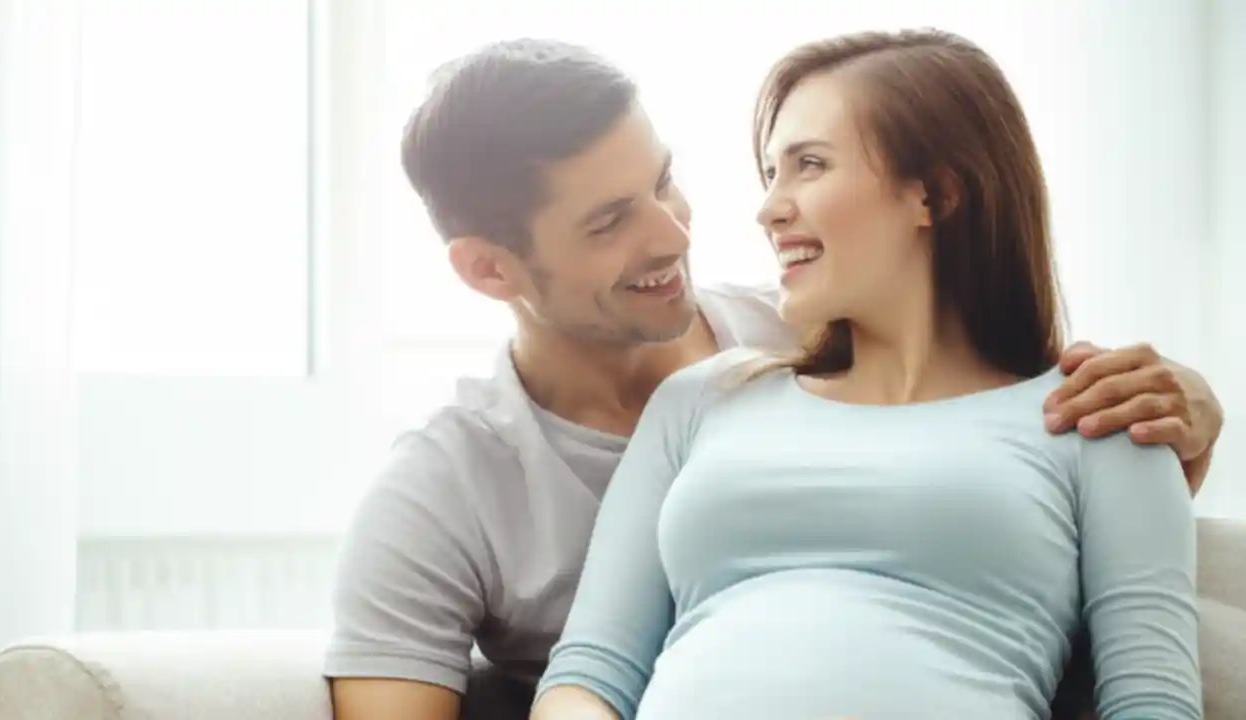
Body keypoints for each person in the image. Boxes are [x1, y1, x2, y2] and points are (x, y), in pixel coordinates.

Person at [325, 38, 1221, 720]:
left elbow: (1152, 694)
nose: (687, 232)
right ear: (492, 271)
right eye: (608, 221)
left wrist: (1193, 414)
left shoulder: (1090, 417)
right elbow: (593, 670)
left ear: (934, 196)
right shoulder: (698, 405)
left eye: (811, 164)